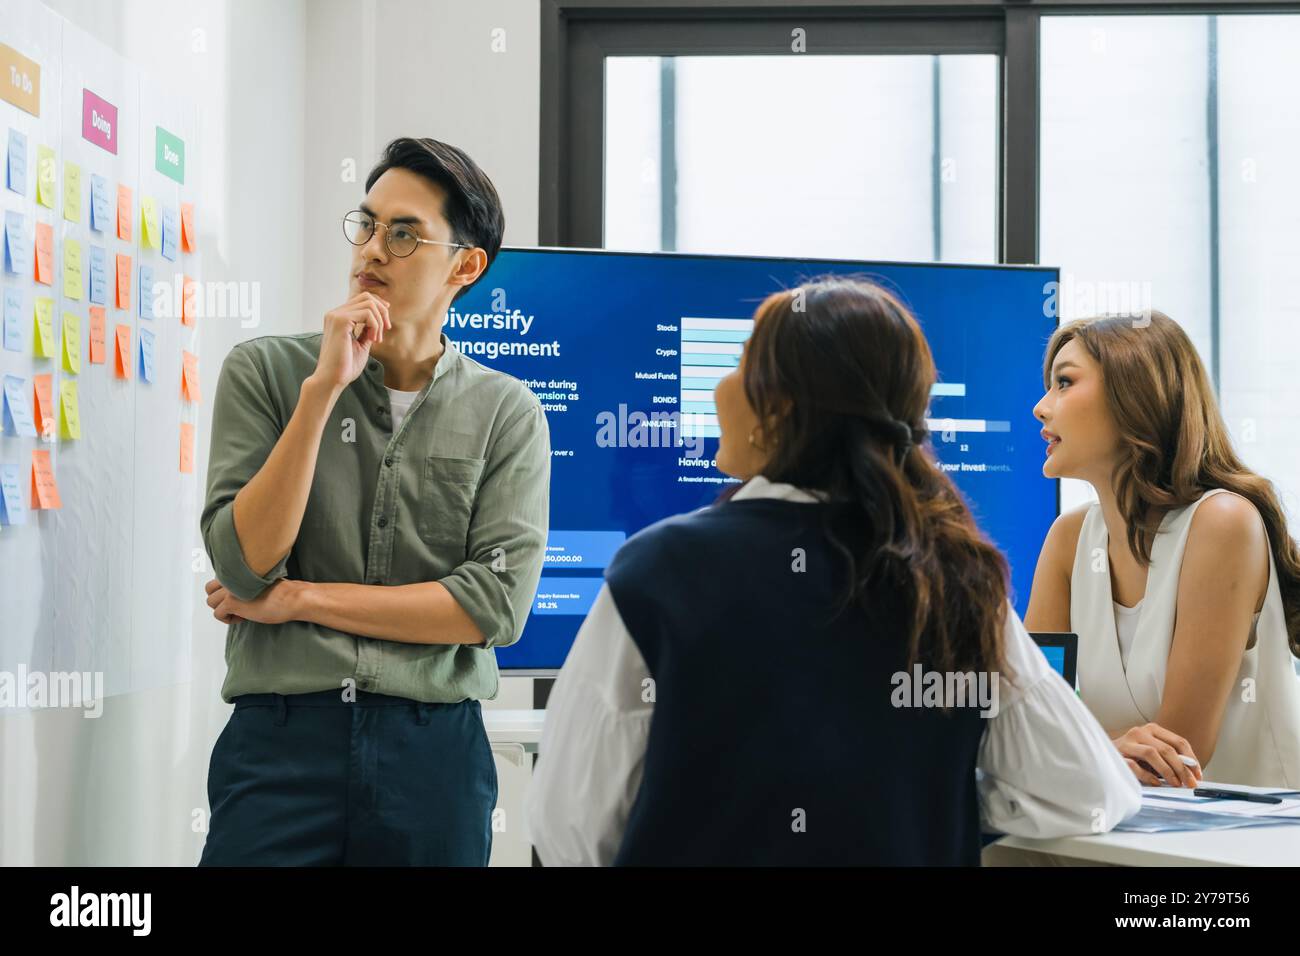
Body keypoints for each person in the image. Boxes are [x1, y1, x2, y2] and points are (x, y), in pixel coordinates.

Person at [526, 277, 1139, 866]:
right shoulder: (955, 579)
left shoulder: (658, 571)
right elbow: (1087, 793)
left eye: (742, 364)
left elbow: (572, 833)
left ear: (780, 407)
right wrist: (923, 799)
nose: (721, 386)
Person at [197, 137, 550, 865]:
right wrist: (322, 391)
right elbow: (242, 566)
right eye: (366, 224)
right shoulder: (266, 372)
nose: (372, 250)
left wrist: (298, 601)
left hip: (433, 755)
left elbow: (492, 607)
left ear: (466, 264)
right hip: (281, 746)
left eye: (403, 232)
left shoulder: (508, 412)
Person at [1026, 311, 1300, 789]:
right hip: (1126, 824)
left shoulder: (1223, 523)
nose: (1041, 407)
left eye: (1064, 383)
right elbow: (1027, 724)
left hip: (1245, 841)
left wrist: (1076, 749)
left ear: (1134, 397)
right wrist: (1104, 749)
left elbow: (1180, 755)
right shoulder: (1068, 540)